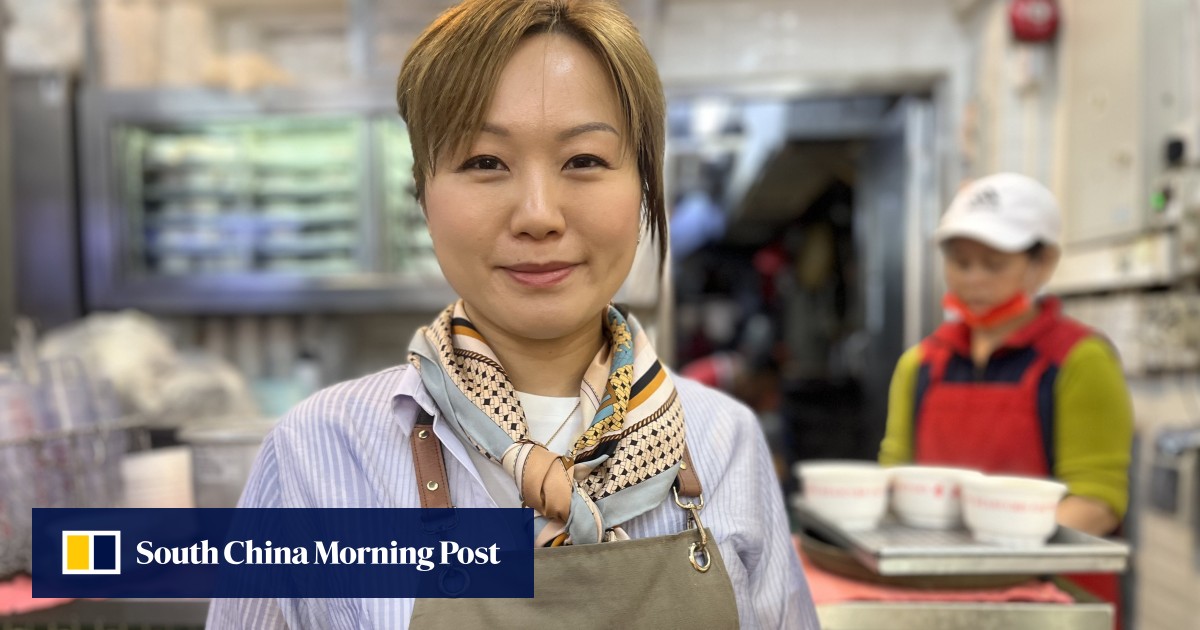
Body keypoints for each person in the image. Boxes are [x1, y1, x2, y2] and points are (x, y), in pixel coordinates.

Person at [208, 1, 819, 627]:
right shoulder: (320, 452)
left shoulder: (723, 441)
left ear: (643, 186)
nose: (537, 214)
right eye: (484, 162)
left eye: (584, 160)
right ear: (423, 192)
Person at [878, 172, 1133, 626]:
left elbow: (1095, 503)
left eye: (993, 264)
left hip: (1053, 602)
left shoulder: (1078, 359)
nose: (972, 279)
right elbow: (894, 480)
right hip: (938, 601)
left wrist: (986, 562)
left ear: (1043, 263)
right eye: (959, 262)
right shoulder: (920, 364)